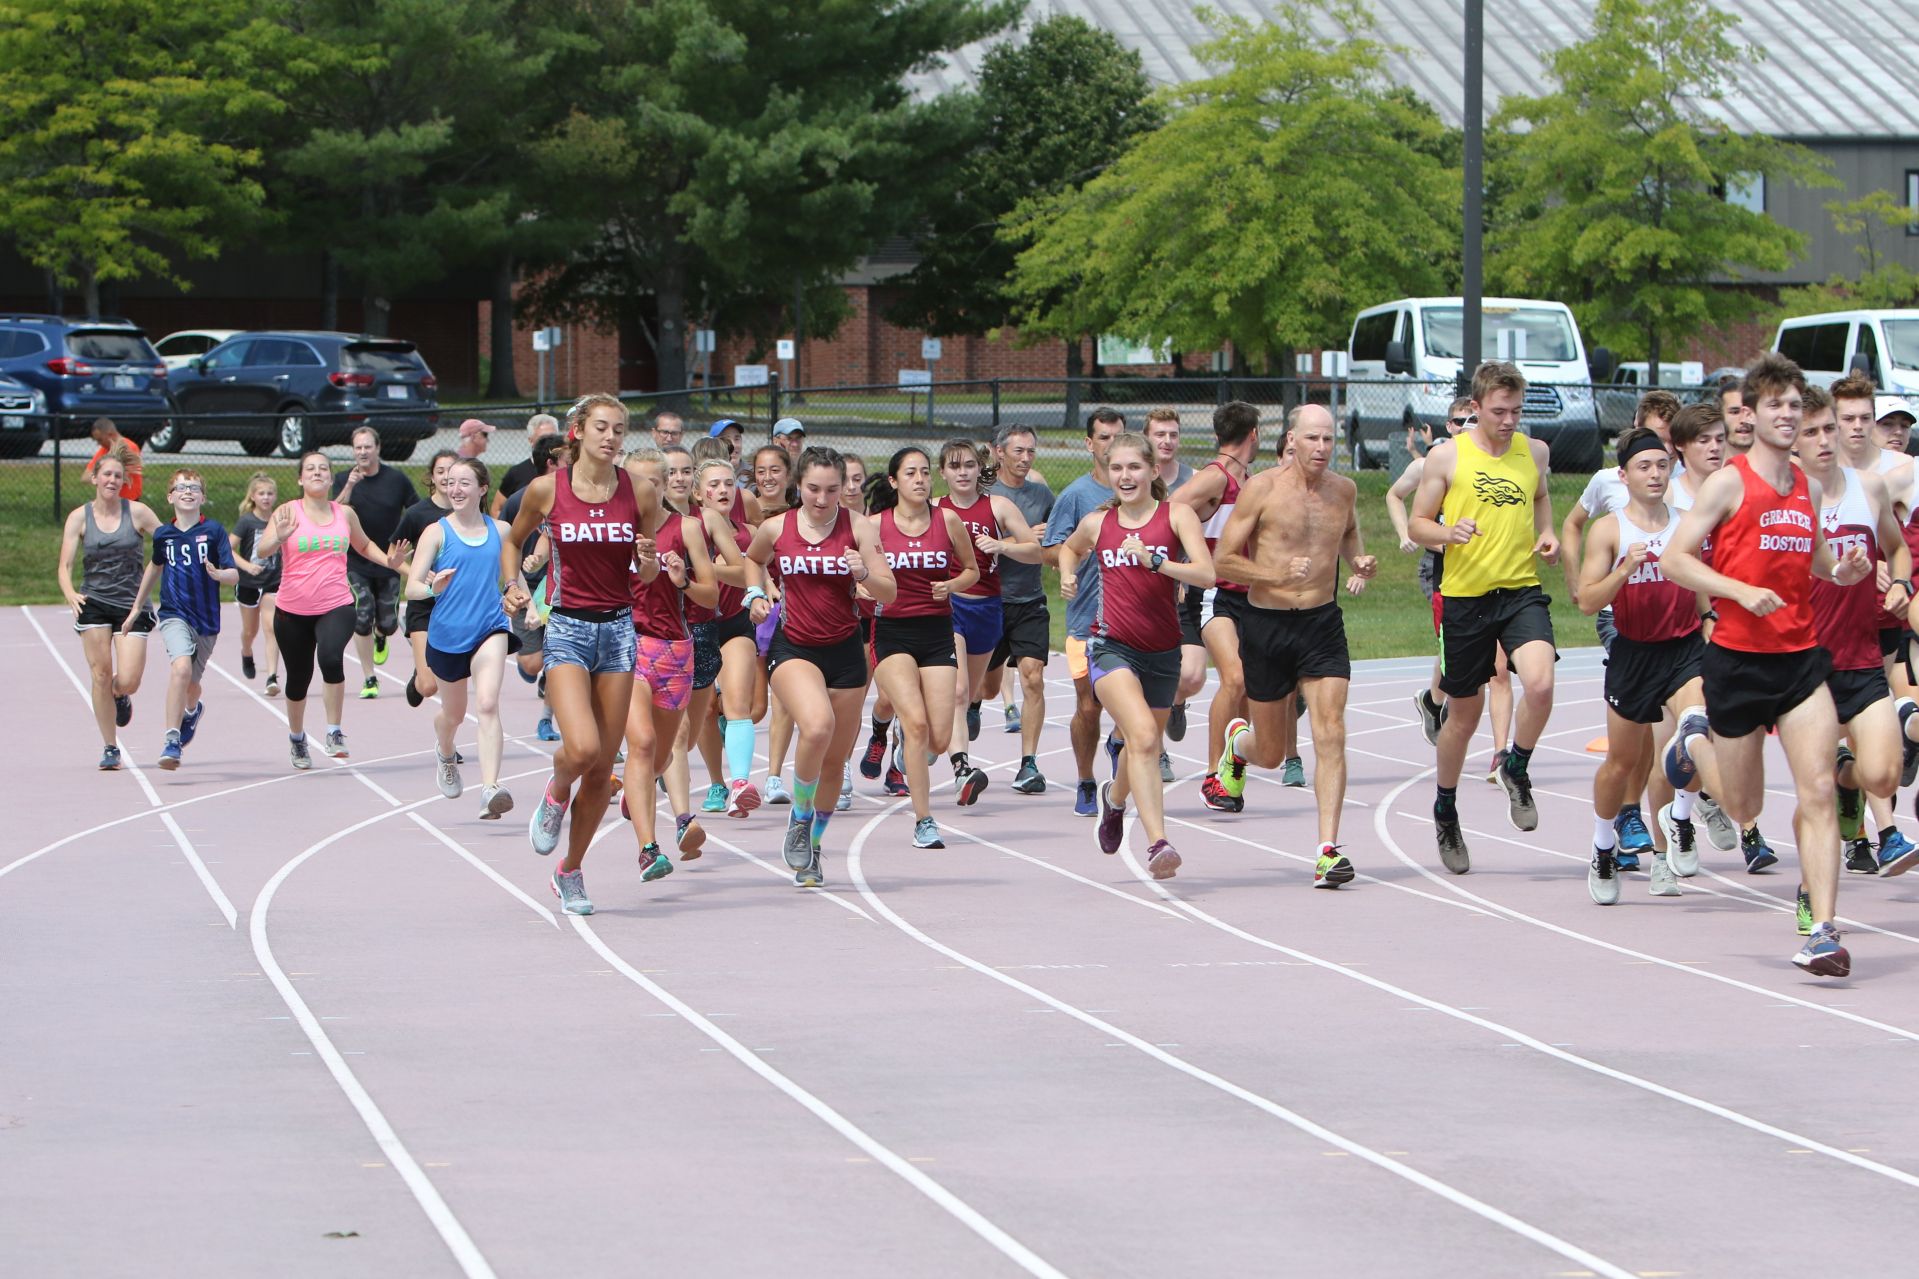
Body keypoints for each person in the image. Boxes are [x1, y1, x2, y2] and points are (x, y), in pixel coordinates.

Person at [1660, 353, 1869, 977]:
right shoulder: (1730, 482)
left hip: (1801, 661)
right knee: (1746, 806)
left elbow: (1816, 558)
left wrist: (1843, 570)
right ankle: (1693, 746)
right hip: (1737, 661)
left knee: (1820, 789)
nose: (1787, 414)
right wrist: (1735, 590)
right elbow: (1675, 559)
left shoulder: (1805, 483)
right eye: (1775, 404)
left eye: (1795, 405)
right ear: (1752, 414)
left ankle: (1824, 930)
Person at [502, 393, 661, 916]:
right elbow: (512, 540)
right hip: (568, 627)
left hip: (618, 631)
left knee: (601, 770)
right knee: (584, 748)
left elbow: (650, 574)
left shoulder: (638, 491)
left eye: (618, 429)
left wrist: (649, 562)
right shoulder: (548, 490)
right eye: (600, 427)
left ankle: (569, 869)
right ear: (577, 431)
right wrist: (514, 582)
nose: (610, 437)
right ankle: (555, 789)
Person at [1407, 361, 1560, 874]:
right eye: (1499, 411)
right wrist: (1447, 534)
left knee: (1539, 684)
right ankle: (1446, 808)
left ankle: (1515, 765)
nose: (1509, 420)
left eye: (1517, 410)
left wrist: (1548, 534)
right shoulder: (1448, 456)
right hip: (1466, 597)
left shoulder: (1533, 452)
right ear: (1475, 408)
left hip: (1519, 589)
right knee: (1465, 716)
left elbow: (1541, 498)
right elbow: (1418, 522)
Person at [1212, 406, 1374, 886]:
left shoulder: (1344, 490)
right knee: (1272, 754)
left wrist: (1359, 561)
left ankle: (1328, 849)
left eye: (1328, 439)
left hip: (1322, 623)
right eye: (1312, 439)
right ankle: (1237, 746)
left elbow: (1347, 534)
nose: (1322, 448)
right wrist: (1273, 574)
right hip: (1267, 624)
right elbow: (1223, 559)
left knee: (1331, 731)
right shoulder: (1261, 488)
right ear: (1292, 439)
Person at [1057, 433, 1215, 877]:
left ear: (1151, 471)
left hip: (1163, 651)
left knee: (1139, 745)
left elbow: (1206, 573)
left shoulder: (1177, 516)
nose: (1125, 476)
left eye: (1134, 468)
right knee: (1144, 735)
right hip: (1110, 647)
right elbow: (1069, 548)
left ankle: (1114, 800)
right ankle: (1158, 843)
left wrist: (1157, 563)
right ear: (1108, 474)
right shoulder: (1099, 523)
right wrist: (1068, 575)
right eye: (1117, 469)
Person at [743, 446, 896, 886]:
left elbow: (890, 593)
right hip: (794, 647)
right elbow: (753, 560)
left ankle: (812, 846)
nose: (823, 498)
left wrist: (864, 575)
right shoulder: (777, 528)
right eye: (813, 488)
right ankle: (799, 814)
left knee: (834, 764)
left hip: (847, 653)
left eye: (832, 489)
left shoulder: (858, 528)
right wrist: (756, 594)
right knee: (815, 725)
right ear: (799, 485)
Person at [1575, 428, 1708, 904]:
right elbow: (1587, 601)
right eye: (1644, 466)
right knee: (1622, 764)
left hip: (1684, 649)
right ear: (1623, 474)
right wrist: (1624, 571)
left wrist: (1711, 619)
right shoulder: (1610, 529)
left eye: (1661, 464)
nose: (1654, 474)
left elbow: (1703, 585)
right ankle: (1603, 845)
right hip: (1633, 653)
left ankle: (1679, 819)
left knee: (1697, 731)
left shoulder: (1688, 522)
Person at [1791, 389, 1916, 878]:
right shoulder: (1782, 498)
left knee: (1884, 774)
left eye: (1830, 429)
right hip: (1805, 663)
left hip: (1862, 653)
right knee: (1813, 790)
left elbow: (1897, 547)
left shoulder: (1871, 488)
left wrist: (1900, 580)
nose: (1827, 439)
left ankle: (1852, 780)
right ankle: (1811, 893)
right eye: (1814, 431)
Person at [1392, 398, 1515, 775]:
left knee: (1499, 667)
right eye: (1461, 420)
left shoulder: (1497, 464)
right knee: (1464, 655)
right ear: (1449, 425)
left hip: (1491, 573)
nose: (1467, 425)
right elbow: (1395, 495)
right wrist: (1405, 534)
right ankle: (1433, 700)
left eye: (1474, 419)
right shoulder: (1433, 463)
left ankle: (1500, 755)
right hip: (1444, 570)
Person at [868, 447, 980, 847]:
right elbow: (860, 579)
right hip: (892, 631)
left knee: (936, 738)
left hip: (936, 632)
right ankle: (924, 819)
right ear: (894, 481)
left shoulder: (947, 519)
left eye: (925, 472)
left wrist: (951, 585)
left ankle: (892, 739)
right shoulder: (874, 525)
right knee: (914, 724)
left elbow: (972, 570)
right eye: (911, 473)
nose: (920, 479)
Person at [403, 457, 523, 820]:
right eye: (450, 482)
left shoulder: (501, 531)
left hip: (490, 626)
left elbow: (513, 580)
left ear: (482, 488)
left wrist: (521, 599)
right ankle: (445, 749)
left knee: (487, 704)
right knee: (452, 714)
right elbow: (411, 588)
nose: (454, 489)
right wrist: (431, 587)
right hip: (448, 634)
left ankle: (490, 788)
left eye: (464, 483)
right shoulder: (436, 532)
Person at [618, 448, 719, 878]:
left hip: (676, 648)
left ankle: (634, 790)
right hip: (628, 645)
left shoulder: (687, 528)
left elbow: (711, 597)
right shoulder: (615, 531)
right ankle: (649, 847)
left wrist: (684, 582)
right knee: (641, 744)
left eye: (651, 484)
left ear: (664, 485)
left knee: (664, 753)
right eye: (634, 483)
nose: (643, 492)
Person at [255, 452, 389, 768]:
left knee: (330, 657)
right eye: (310, 469)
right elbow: (262, 550)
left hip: (336, 602)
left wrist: (391, 562)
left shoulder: (345, 514)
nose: (317, 473)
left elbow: (365, 545)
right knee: (298, 679)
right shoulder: (287, 511)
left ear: (331, 478)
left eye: (323, 469)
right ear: (301, 478)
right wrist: (279, 537)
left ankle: (334, 731)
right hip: (292, 608)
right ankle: (298, 738)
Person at [936, 437, 1041, 800]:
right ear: (943, 472)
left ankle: (931, 738)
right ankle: (962, 768)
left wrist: (1002, 546)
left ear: (980, 468)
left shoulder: (998, 506)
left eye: (968, 465)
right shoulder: (935, 508)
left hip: (988, 608)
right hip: (948, 608)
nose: (962, 472)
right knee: (960, 691)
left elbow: (1035, 550)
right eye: (954, 466)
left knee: (983, 691)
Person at [1663, 401, 1744, 857]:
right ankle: (1672, 820)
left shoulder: (1735, 489)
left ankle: (1688, 809)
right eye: (1703, 440)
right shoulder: (1670, 497)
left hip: (1726, 619)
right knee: (1664, 745)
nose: (1715, 447)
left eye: (1720, 438)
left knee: (1712, 727)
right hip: (1677, 627)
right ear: (1680, 448)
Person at [1173, 400, 1262, 810]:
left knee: (1250, 688)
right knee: (1236, 678)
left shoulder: (1252, 482)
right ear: (1254, 435)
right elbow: (1172, 508)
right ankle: (1213, 774)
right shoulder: (1216, 477)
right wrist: (1180, 567)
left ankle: (1231, 763)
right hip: (1214, 593)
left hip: (1252, 595)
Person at [124, 469, 240, 770]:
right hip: (174, 613)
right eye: (181, 487)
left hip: (207, 620)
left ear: (203, 497)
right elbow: (155, 566)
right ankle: (171, 740)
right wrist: (137, 606)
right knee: (181, 669)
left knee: (192, 684)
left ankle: (192, 710)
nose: (187, 491)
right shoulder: (164, 534)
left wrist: (219, 574)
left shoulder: (213, 531)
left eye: (194, 487)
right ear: (170, 496)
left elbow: (234, 573)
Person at [1043, 408, 1126, 816]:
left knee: (1133, 705)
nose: (1111, 446)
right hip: (1086, 620)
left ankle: (1120, 745)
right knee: (1088, 705)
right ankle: (1086, 780)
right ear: (1090, 444)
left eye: (1118, 437)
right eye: (1104, 438)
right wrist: (1068, 569)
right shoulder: (1076, 496)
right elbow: (1054, 549)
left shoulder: (1148, 493)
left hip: (1134, 621)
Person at [57, 452, 161, 769]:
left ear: (125, 482)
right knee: (100, 673)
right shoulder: (79, 517)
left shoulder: (139, 513)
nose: (112, 480)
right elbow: (64, 566)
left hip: (132, 604)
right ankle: (110, 747)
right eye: (107, 475)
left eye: (118, 476)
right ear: (95, 478)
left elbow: (169, 543)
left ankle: (120, 694)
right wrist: (70, 591)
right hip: (95, 602)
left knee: (127, 679)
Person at [1561, 390, 1681, 653]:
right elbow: (1572, 524)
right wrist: (1574, 580)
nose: (1666, 449)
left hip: (1675, 611)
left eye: (1672, 440)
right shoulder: (1609, 479)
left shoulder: (1687, 475)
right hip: (1618, 612)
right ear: (1636, 429)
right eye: (1657, 438)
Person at [686, 455, 762, 818]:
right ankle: (716, 781)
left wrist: (759, 588)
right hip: (696, 627)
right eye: (713, 485)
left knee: (738, 703)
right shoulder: (687, 527)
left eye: (729, 484)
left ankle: (741, 784)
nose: (723, 490)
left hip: (734, 624)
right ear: (698, 494)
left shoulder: (747, 533)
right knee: (704, 712)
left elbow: (750, 573)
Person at [980, 425, 1054, 793]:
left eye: (1031, 452)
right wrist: (1017, 540)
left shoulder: (1042, 494)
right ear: (998, 452)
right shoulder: (982, 495)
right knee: (989, 687)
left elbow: (1056, 541)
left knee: (1033, 677)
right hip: (989, 602)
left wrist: (1059, 553)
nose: (1025, 459)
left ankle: (1028, 764)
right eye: (1018, 451)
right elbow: (974, 547)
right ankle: (975, 703)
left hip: (1030, 601)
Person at [330, 425, 418, 697]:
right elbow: (332, 513)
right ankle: (370, 678)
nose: (363, 452)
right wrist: (350, 486)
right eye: (358, 447)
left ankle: (382, 636)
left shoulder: (396, 479)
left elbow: (415, 511)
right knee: (361, 612)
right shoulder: (345, 479)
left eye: (368, 446)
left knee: (389, 622)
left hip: (388, 560)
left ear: (378, 448)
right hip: (355, 561)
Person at [502, 435, 566, 737]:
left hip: (561, 589)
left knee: (556, 660)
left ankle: (545, 719)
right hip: (526, 585)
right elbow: (510, 549)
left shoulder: (575, 497)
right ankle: (530, 668)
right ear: (552, 463)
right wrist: (525, 599)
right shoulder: (520, 501)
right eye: (568, 460)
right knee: (533, 663)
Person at [390, 450, 458, 706]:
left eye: (452, 472)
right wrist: (417, 575)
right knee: (428, 687)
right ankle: (419, 675)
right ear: (432, 476)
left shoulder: (469, 513)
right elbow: (393, 556)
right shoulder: (417, 514)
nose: (446, 477)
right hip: (424, 603)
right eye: (440, 471)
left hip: (456, 602)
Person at [231, 473, 283, 695]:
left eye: (270, 493)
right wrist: (246, 566)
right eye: (261, 493)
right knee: (250, 631)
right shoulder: (246, 521)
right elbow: (227, 548)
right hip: (249, 583)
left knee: (272, 628)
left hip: (273, 581)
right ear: (253, 496)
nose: (266, 497)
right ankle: (246, 651)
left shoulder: (279, 519)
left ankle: (271, 677)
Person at [491, 413, 560, 516]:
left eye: (552, 438)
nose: (549, 443)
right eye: (543, 439)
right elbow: (497, 509)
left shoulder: (569, 471)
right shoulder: (516, 473)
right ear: (531, 441)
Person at [82, 417, 143, 501]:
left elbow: (122, 476)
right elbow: (85, 476)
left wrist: (100, 475)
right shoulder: (105, 449)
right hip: (110, 503)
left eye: (100, 440)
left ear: (110, 434)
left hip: (129, 502)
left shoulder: (129, 447)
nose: (99, 444)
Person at [1718, 375, 1755, 455]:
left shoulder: (1781, 466)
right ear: (1720, 416)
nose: (1743, 420)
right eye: (1735, 412)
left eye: (1749, 412)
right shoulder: (1704, 466)